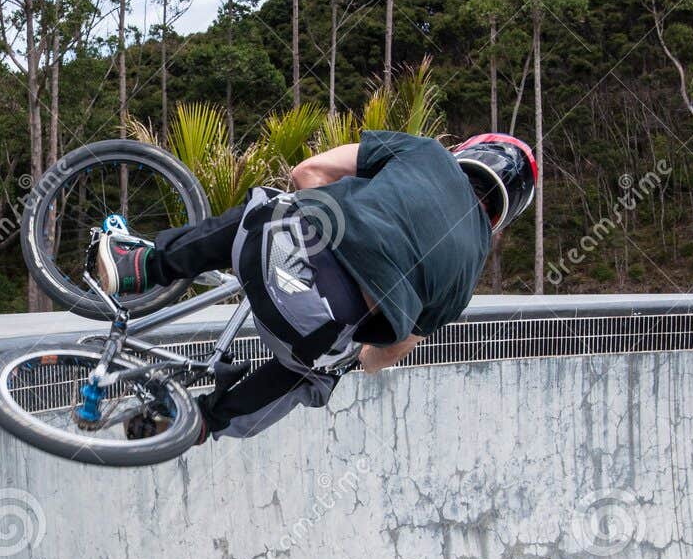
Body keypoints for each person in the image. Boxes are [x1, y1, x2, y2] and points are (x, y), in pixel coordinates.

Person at [93, 130, 538, 441]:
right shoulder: (466, 278)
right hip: (316, 334)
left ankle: (141, 265)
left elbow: (308, 172)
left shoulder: (424, 153)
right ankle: (199, 422)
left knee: (268, 206)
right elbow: (391, 351)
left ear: (467, 153)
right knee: (320, 373)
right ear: (504, 213)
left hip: (271, 256)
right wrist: (357, 359)